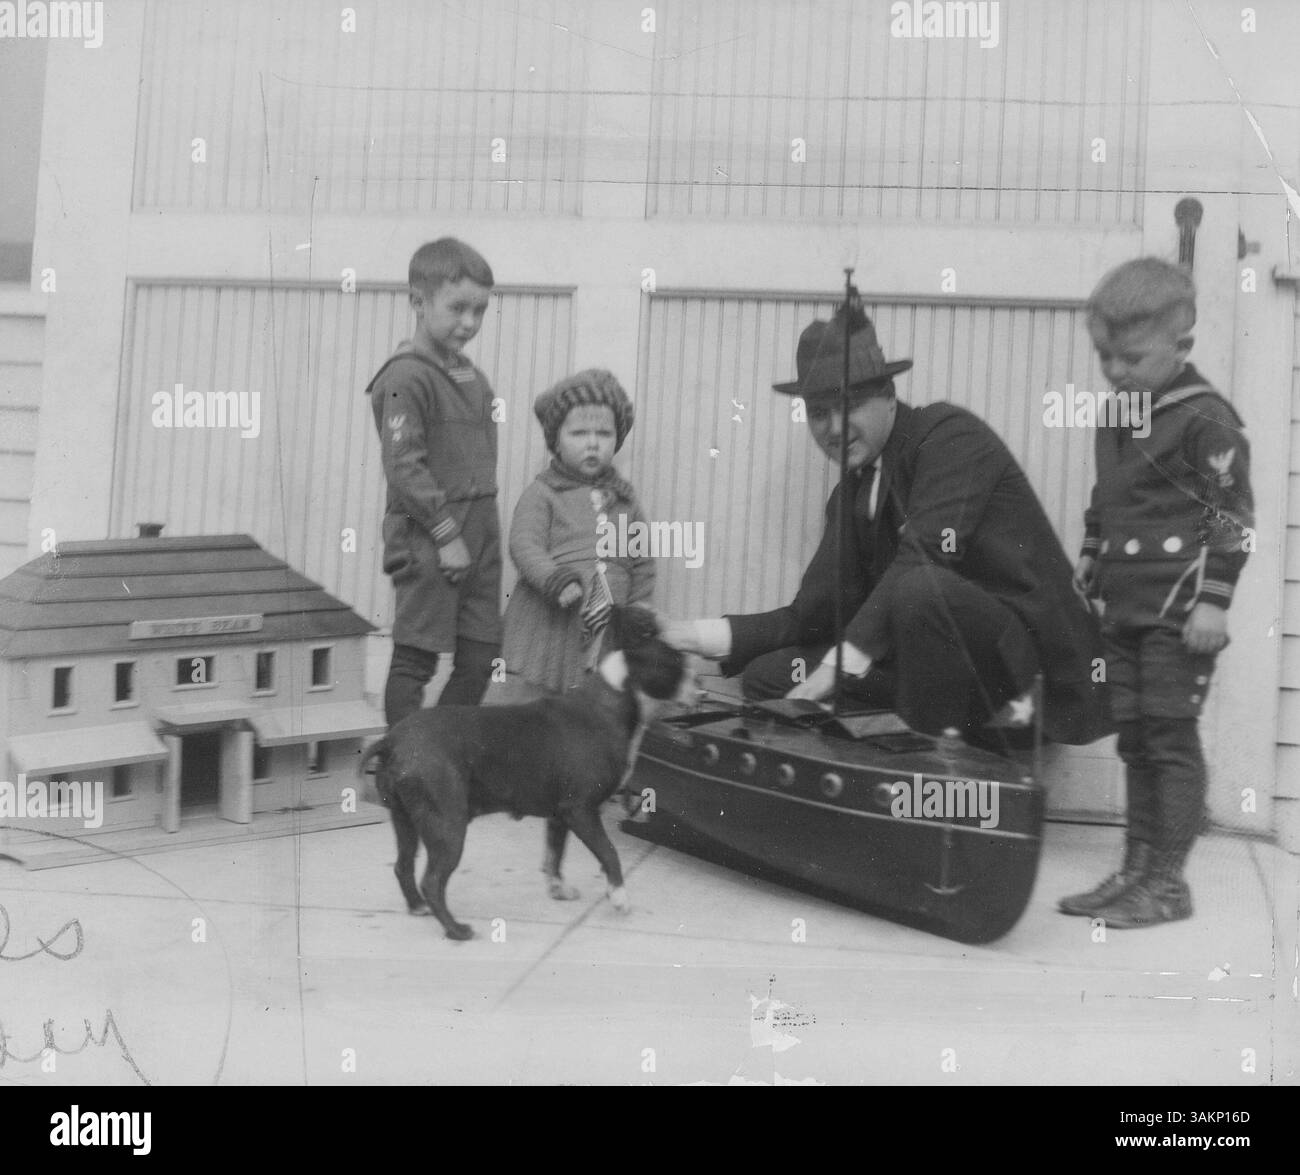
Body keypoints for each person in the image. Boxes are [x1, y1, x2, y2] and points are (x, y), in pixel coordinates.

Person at [664, 302, 1109, 749]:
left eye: (850, 404)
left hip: (1018, 676)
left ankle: (929, 785)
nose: (834, 428)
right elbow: (812, 616)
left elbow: (925, 557)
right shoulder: (850, 495)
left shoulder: (950, 436)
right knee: (771, 677)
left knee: (919, 587)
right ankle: (881, 783)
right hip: (928, 677)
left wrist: (836, 669)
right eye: (819, 413)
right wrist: (689, 635)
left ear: (890, 395)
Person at [1058, 258, 1253, 928]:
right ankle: (1137, 869)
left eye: (1131, 357)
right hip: (1125, 607)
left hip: (1178, 611)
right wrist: (1090, 558)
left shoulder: (1207, 419)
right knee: (1135, 738)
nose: (1115, 371)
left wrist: (1215, 600)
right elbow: (1104, 500)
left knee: (1170, 739)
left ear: (1182, 346)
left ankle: (1168, 882)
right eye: (1104, 356)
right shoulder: (1116, 415)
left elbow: (1231, 517)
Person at [366, 237, 502, 728]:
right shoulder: (404, 376)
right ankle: (406, 766)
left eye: (480, 311)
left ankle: (444, 754)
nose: (469, 322)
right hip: (431, 532)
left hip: (481, 529)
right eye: (458, 308)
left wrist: (479, 532)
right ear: (418, 302)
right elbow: (404, 465)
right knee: (417, 658)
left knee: (481, 654)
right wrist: (446, 535)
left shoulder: (472, 378)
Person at [495, 369, 654, 701]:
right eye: (579, 433)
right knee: (530, 700)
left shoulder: (626, 500)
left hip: (609, 621)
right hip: (551, 619)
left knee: (594, 703)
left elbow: (642, 561)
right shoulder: (544, 492)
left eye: (604, 433)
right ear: (556, 440)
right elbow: (524, 544)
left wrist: (639, 605)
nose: (593, 443)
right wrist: (553, 578)